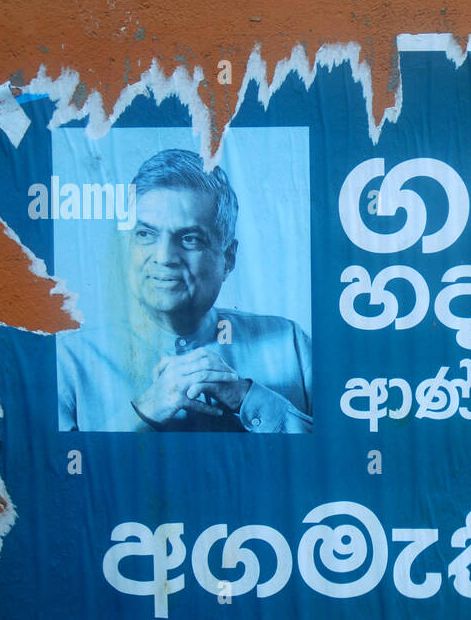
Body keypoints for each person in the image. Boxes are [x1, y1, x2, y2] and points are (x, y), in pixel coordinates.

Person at [57, 149, 313, 433]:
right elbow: (55, 475)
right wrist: (144, 413)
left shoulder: (291, 345)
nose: (164, 257)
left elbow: (341, 457)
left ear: (228, 258)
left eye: (190, 239)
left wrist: (245, 396)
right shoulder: (68, 363)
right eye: (145, 234)